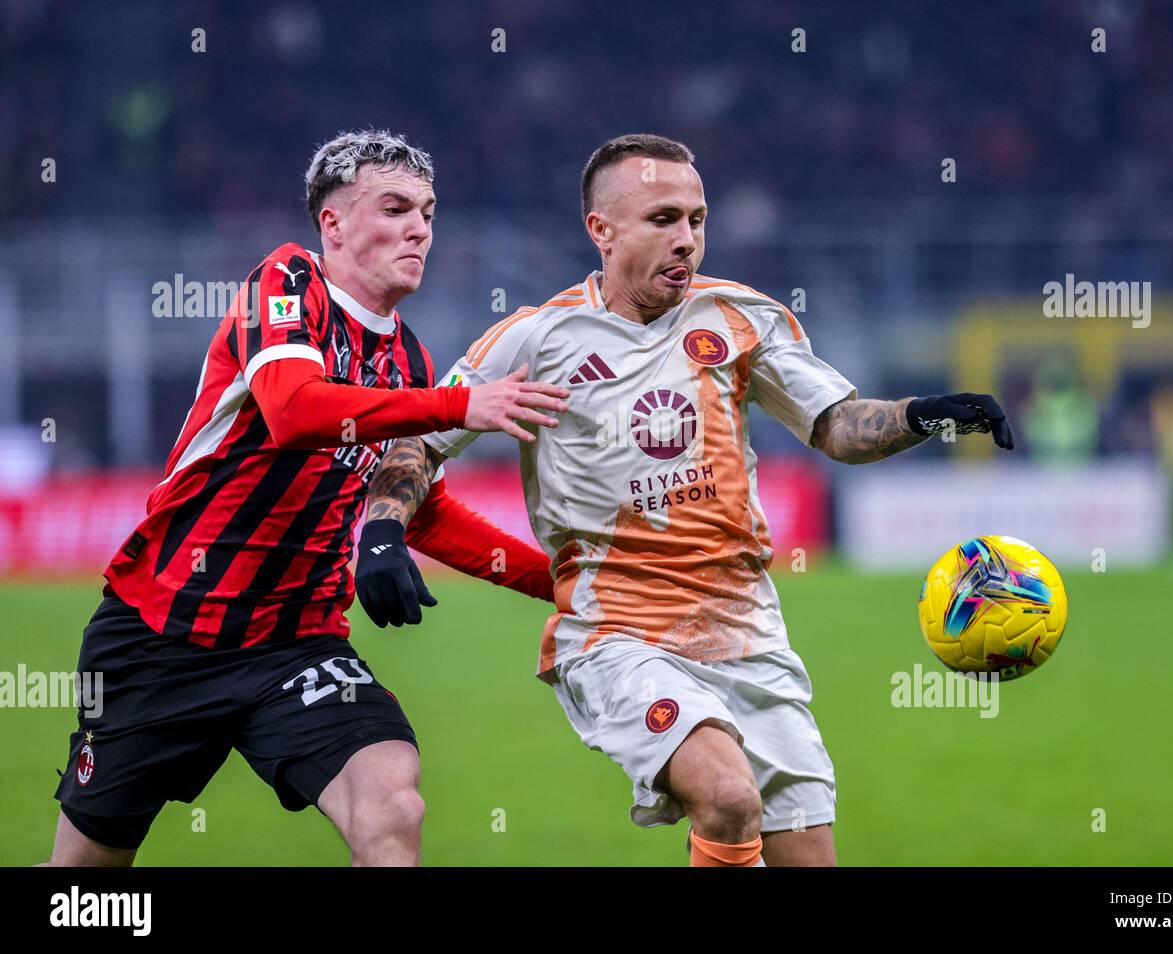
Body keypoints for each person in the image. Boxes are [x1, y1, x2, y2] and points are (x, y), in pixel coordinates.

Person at [355, 134, 1012, 866]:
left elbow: (836, 426)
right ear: (601, 230)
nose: (688, 240)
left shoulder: (739, 317)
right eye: (664, 219)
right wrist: (382, 532)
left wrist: (926, 413)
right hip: (618, 635)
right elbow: (418, 437)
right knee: (728, 798)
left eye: (697, 220)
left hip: (748, 632)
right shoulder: (537, 339)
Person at [46, 130, 567, 867]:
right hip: (162, 631)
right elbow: (294, 409)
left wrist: (563, 583)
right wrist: (455, 406)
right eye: (394, 208)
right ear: (333, 223)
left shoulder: (408, 359)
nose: (419, 226)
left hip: (295, 643)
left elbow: (423, 511)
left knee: (392, 803)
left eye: (428, 211)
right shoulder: (288, 281)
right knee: (86, 880)